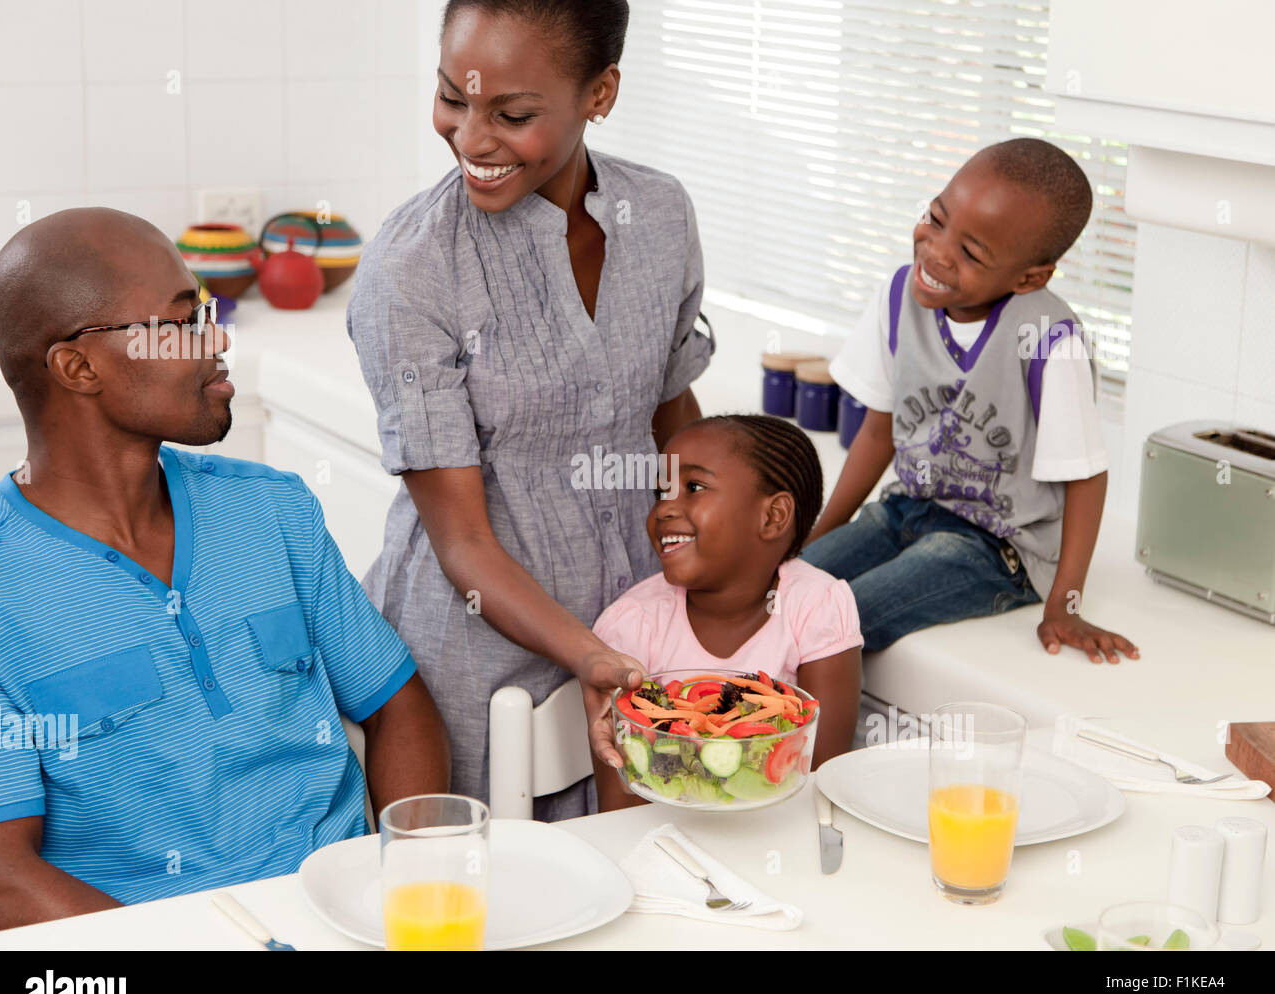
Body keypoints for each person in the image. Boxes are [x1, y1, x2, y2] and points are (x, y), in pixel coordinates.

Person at [0, 208, 449, 932]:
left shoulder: (273, 511)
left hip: (347, 919)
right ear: (77, 367)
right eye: (183, 321)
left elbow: (397, 704)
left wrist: (404, 885)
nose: (217, 339)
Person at [347, 0, 713, 820]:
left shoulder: (658, 216)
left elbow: (670, 410)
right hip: (473, 644)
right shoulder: (411, 271)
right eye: (452, 97)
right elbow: (463, 543)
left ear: (600, 94)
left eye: (512, 115)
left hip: (641, 610)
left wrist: (718, 552)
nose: (472, 139)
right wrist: (593, 655)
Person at [802, 139, 1138, 664]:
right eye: (936, 219)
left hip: (997, 548)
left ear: (1031, 277)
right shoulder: (899, 295)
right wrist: (813, 546)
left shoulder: (1049, 339)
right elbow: (876, 433)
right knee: (782, 590)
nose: (936, 251)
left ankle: (809, 746)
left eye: (971, 253)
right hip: (906, 510)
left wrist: (1065, 604)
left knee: (835, 623)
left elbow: (1086, 478)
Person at [593, 415, 863, 808]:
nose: (665, 509)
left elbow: (822, 784)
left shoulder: (817, 606)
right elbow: (620, 808)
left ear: (772, 517)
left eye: (694, 487)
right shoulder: (631, 626)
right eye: (662, 492)